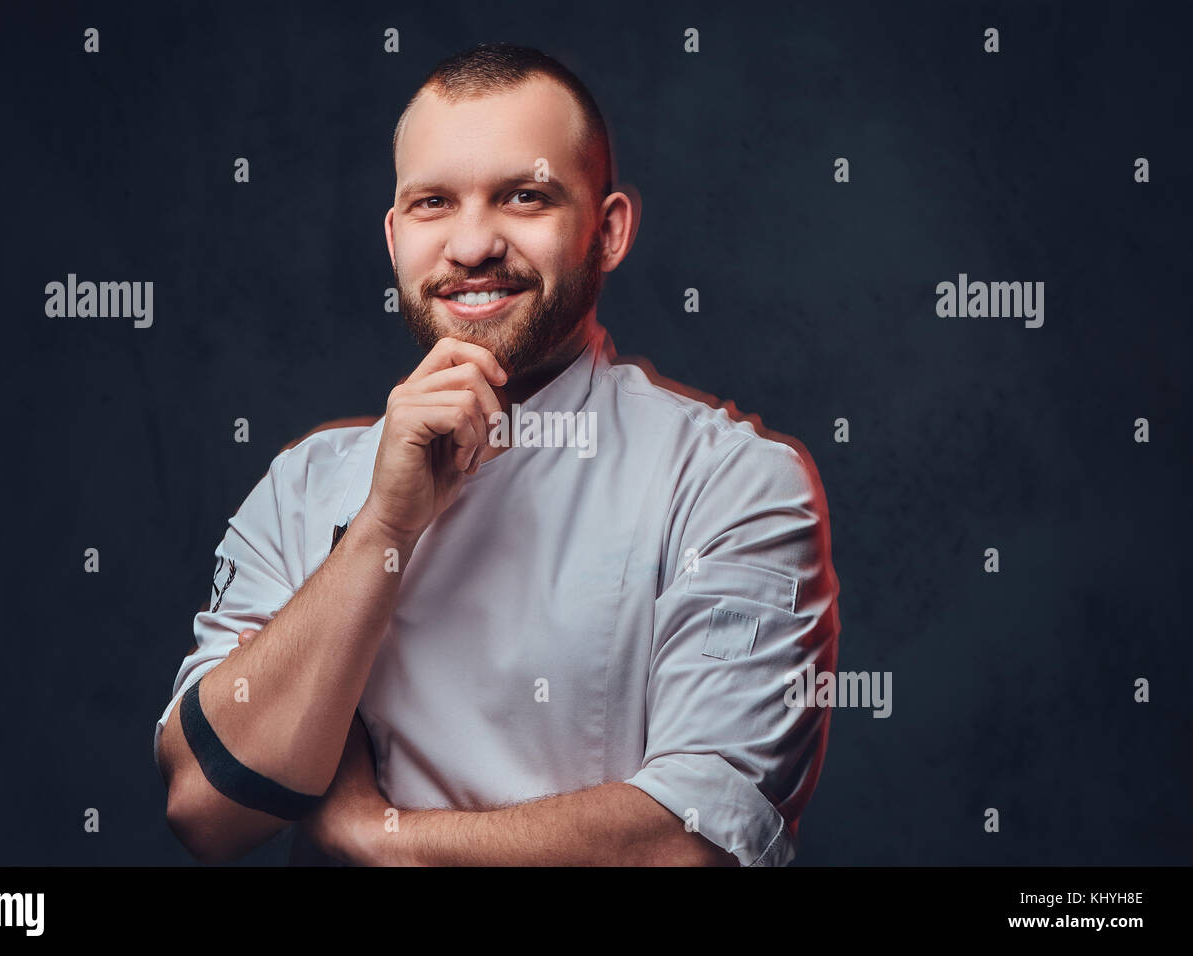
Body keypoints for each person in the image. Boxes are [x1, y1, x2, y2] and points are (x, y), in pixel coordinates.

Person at [154, 41, 840, 866]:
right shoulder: (305, 487)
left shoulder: (730, 485)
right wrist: (382, 531)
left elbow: (687, 844)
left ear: (609, 230)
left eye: (525, 196)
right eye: (433, 203)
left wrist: (384, 840)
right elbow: (204, 805)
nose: (473, 244)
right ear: (394, 235)